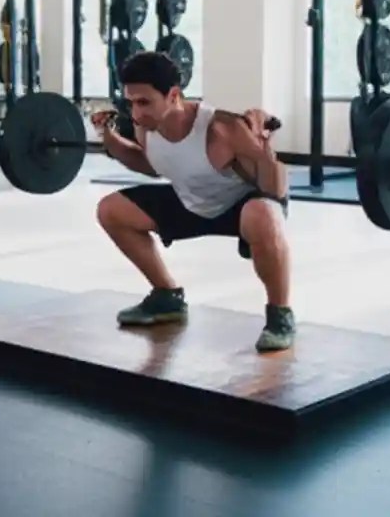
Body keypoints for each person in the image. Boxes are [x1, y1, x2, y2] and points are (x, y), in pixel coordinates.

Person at [94, 51, 295, 352]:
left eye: (144, 102)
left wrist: (266, 152)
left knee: (263, 212)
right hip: (190, 202)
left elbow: (275, 188)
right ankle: (166, 297)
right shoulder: (144, 126)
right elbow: (150, 164)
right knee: (111, 210)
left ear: (173, 95)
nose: (135, 113)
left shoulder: (222, 128)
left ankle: (280, 315)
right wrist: (109, 139)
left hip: (237, 207)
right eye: (131, 102)